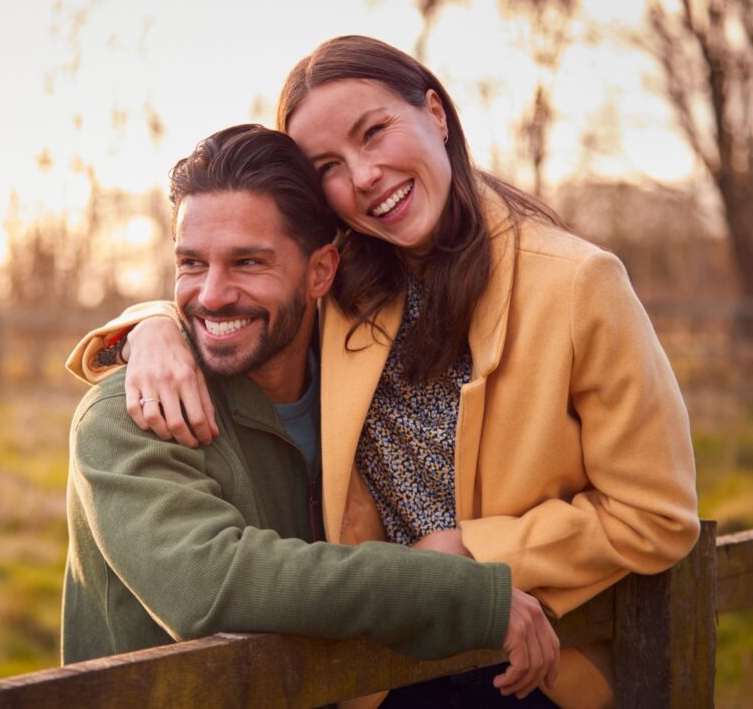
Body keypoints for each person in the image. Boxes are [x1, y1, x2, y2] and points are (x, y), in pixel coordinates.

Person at [67, 36, 700, 708]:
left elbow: (656, 514)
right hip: (380, 668)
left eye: (374, 133)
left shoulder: (576, 283)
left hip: (528, 657)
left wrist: (467, 554)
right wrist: (153, 326)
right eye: (330, 165)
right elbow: (242, 281)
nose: (364, 175)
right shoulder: (355, 285)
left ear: (436, 112)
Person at [63, 123, 561, 703]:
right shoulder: (127, 411)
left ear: (321, 271)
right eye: (191, 264)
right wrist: (468, 598)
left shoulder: (363, 390)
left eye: (248, 262)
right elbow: (212, 585)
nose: (212, 294)